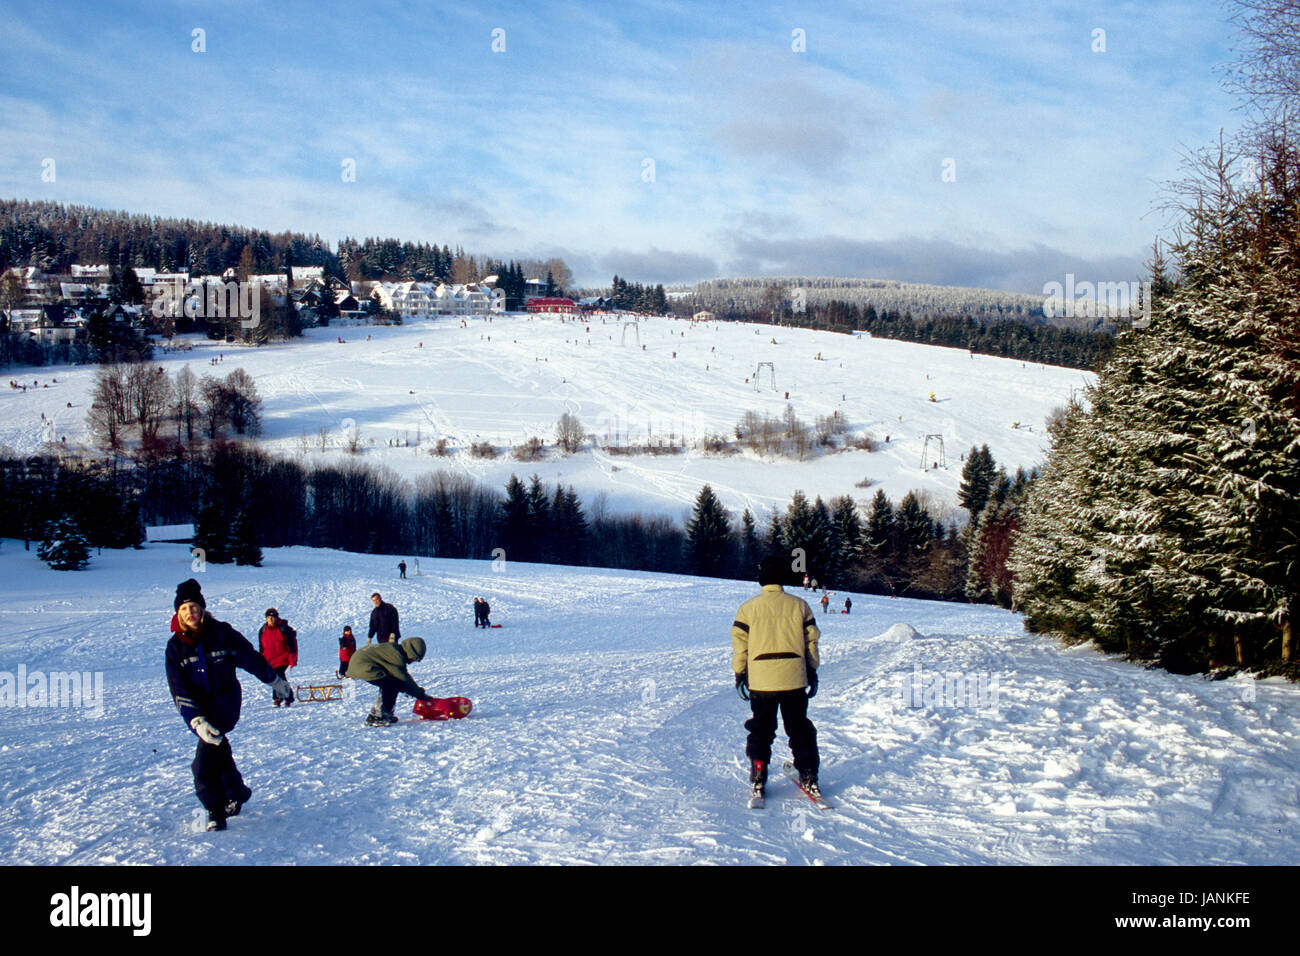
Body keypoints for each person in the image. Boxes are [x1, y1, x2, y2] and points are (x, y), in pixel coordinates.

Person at [165, 579, 292, 831]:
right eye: (184, 609)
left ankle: (215, 809)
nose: (190, 612)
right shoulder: (175, 648)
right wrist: (195, 719)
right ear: (177, 614)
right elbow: (178, 688)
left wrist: (275, 681)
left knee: (202, 762)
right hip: (200, 709)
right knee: (217, 745)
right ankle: (237, 792)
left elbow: (251, 658)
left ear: (202, 609)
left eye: (193, 607)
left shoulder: (222, 633)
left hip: (226, 703)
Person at [731, 556, 822, 804]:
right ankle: (809, 773)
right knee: (799, 729)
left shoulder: (748, 609)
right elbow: (811, 641)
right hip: (794, 678)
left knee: (761, 729)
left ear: (761, 579)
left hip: (761, 681)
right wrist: (812, 670)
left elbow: (740, 646)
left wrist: (740, 673)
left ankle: (759, 773)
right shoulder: (800, 605)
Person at [345, 637, 434, 725]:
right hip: (363, 666)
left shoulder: (396, 650)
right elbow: (403, 678)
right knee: (392, 685)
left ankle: (383, 714)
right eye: (413, 659)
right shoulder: (396, 656)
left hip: (362, 663)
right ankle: (378, 716)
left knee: (391, 683)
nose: (412, 662)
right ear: (411, 652)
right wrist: (420, 694)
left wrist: (415, 692)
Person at [257, 608, 298, 706]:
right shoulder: (263, 630)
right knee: (275, 677)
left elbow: (292, 645)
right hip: (269, 659)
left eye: (273, 617)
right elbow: (261, 647)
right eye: (269, 617)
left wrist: (292, 660)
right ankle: (284, 696)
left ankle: (283, 697)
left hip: (283, 658)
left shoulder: (284, 629)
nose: (271, 619)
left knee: (279, 675)